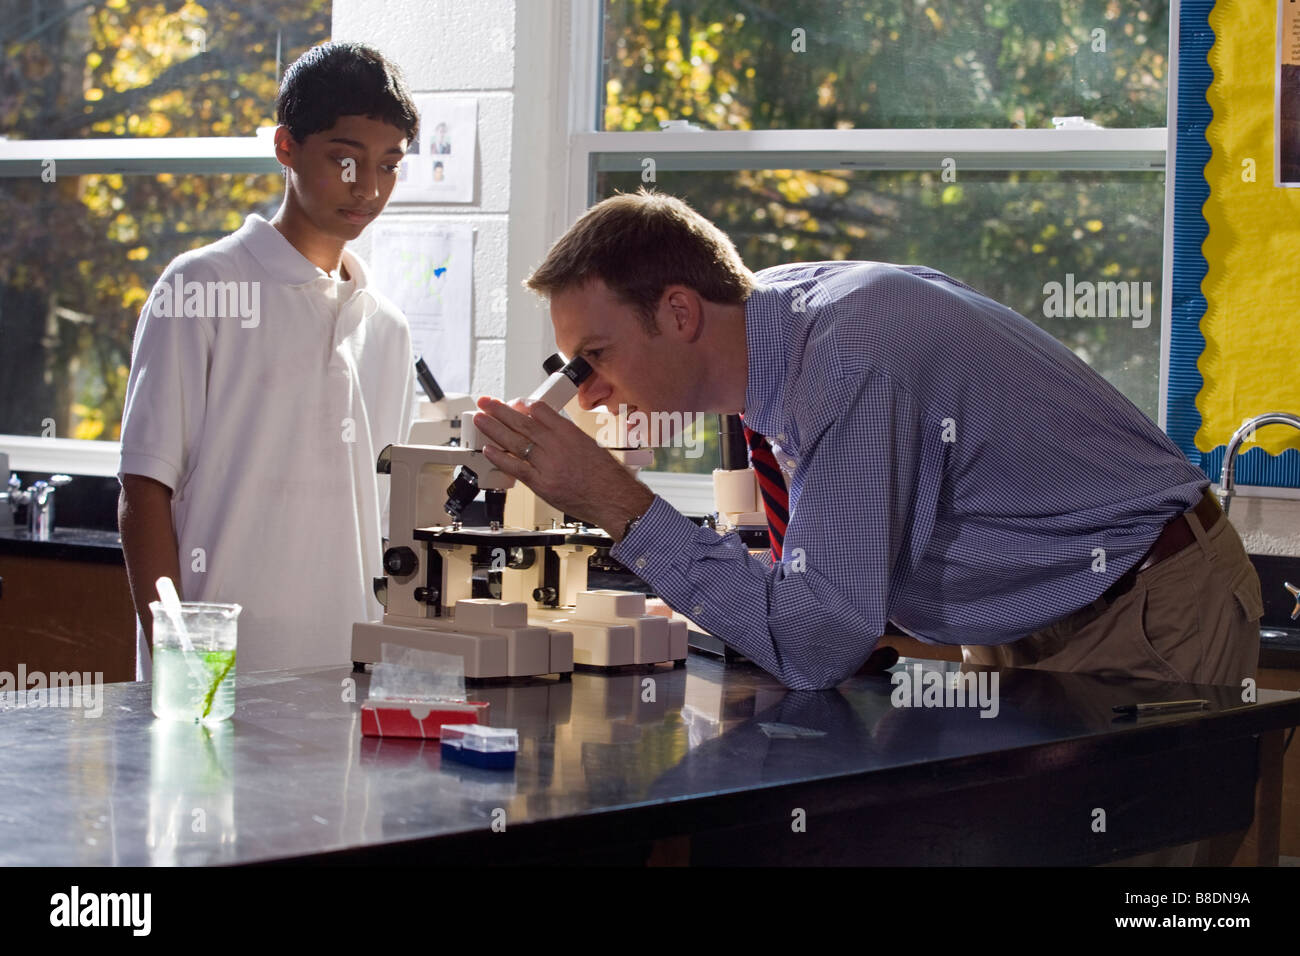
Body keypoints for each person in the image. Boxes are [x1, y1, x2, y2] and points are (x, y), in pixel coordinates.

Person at [473, 189, 1263, 691]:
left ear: (680, 313)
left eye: (596, 358)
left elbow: (818, 642)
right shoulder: (775, 327)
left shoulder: (849, 363)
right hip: (1023, 615)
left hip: (1144, 601)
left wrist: (611, 498)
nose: (595, 392)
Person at [117, 42, 418, 677]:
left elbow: (389, 519)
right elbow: (144, 487)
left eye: (388, 165)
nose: (367, 186)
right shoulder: (199, 285)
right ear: (286, 148)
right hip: (215, 676)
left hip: (345, 675)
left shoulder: (388, 330)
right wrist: (179, 658)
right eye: (345, 159)